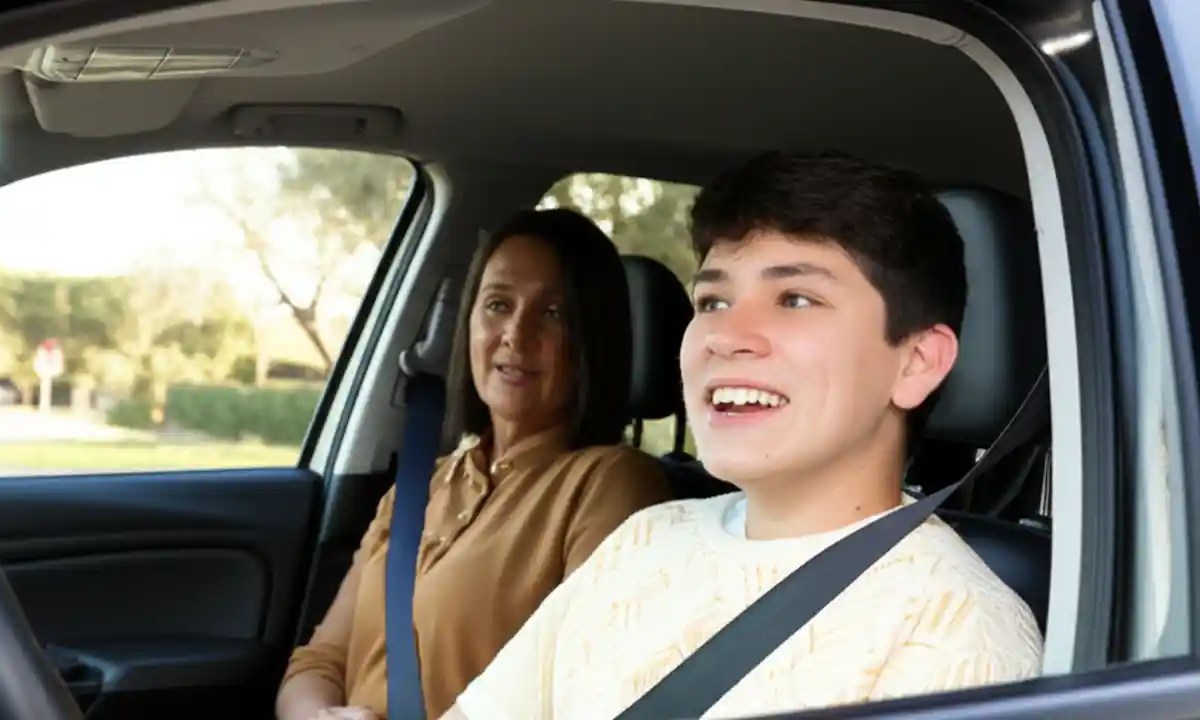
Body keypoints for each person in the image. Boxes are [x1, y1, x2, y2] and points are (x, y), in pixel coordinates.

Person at [443, 151, 1044, 720]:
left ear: (915, 363)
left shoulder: (959, 631)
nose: (727, 334)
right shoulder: (645, 539)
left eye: (796, 298)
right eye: (712, 300)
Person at [276, 208, 675, 720]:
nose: (515, 332)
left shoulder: (611, 486)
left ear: (591, 340)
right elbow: (321, 659)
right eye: (498, 305)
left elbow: (587, 695)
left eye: (552, 313)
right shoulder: (423, 485)